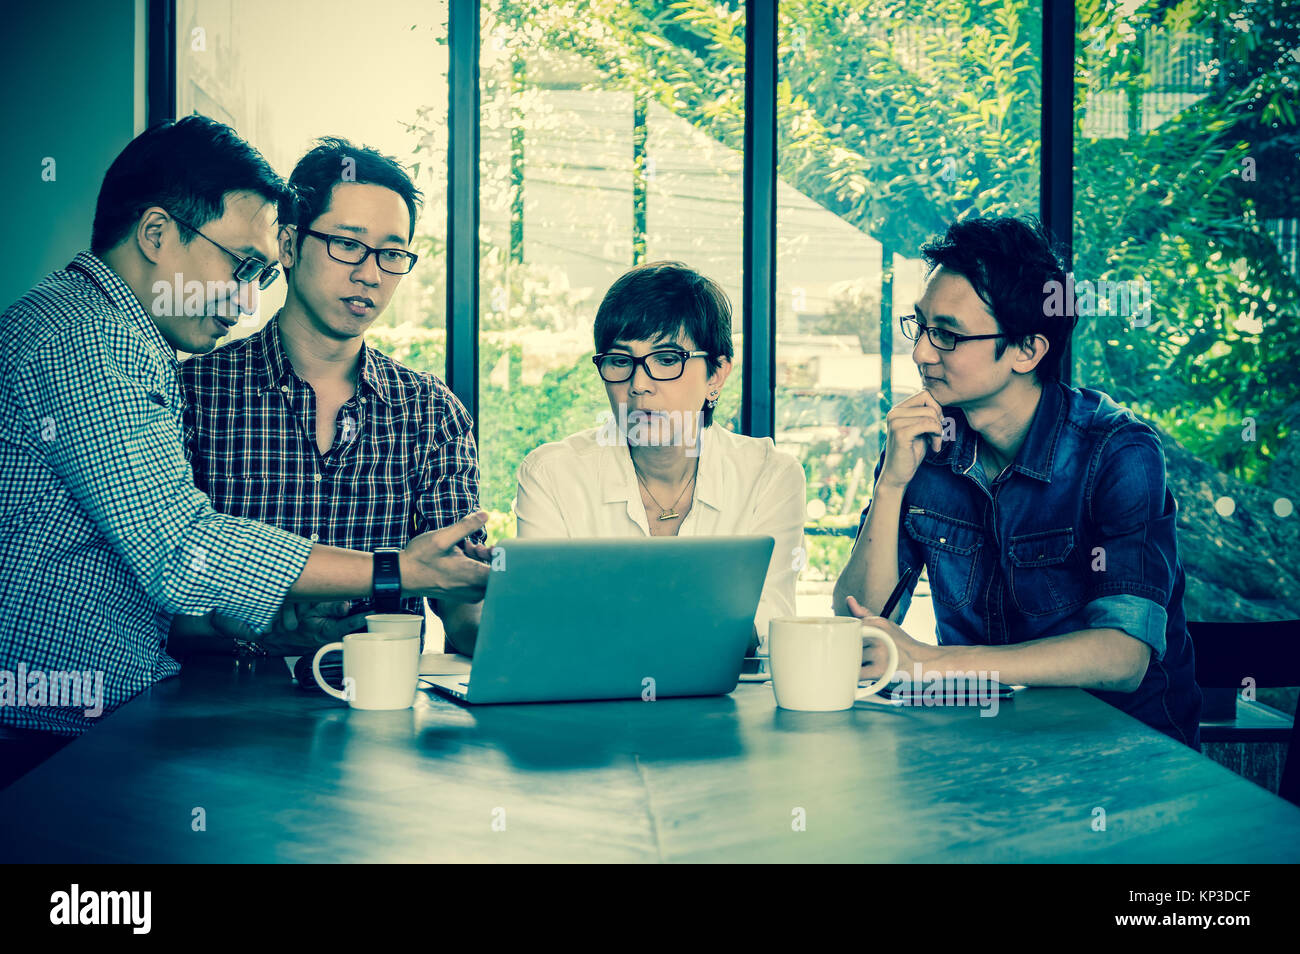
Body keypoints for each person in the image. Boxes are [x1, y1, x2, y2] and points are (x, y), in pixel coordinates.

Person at [0, 117, 488, 786]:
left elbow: (465, 606)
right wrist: (394, 570)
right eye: (241, 263)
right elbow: (179, 553)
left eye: (393, 254)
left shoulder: (111, 337)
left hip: (350, 747)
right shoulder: (91, 341)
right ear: (155, 235)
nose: (247, 294)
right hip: (54, 731)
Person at [833, 215, 1202, 748]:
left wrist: (933, 662)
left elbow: (1123, 658)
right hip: (984, 743)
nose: (920, 353)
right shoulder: (922, 446)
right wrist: (890, 487)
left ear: (1027, 351)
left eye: (948, 335)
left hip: (1121, 753)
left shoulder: (1117, 453)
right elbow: (860, 622)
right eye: (920, 326)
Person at [174, 137, 486, 660]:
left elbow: (458, 602)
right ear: (290, 246)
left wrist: (503, 619)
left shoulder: (431, 411)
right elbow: (163, 596)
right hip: (221, 714)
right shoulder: (197, 392)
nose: (370, 273)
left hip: (382, 709)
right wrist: (266, 626)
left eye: (392, 254)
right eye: (347, 244)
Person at [513, 262, 806, 649]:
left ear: (716, 375)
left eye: (667, 359)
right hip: (591, 703)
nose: (639, 385)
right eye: (620, 361)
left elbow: (769, 623)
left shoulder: (770, 475)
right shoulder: (553, 474)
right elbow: (544, 623)